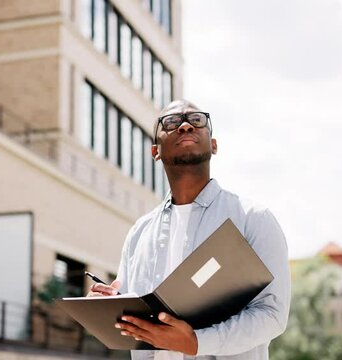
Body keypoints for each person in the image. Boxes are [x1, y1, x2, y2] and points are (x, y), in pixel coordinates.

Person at [88, 100, 291, 359]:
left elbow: (272, 315)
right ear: (155, 151)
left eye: (196, 120)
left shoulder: (253, 219)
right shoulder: (139, 233)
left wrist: (197, 342)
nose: (184, 126)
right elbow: (133, 325)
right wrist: (106, 308)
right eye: (171, 122)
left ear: (214, 145)